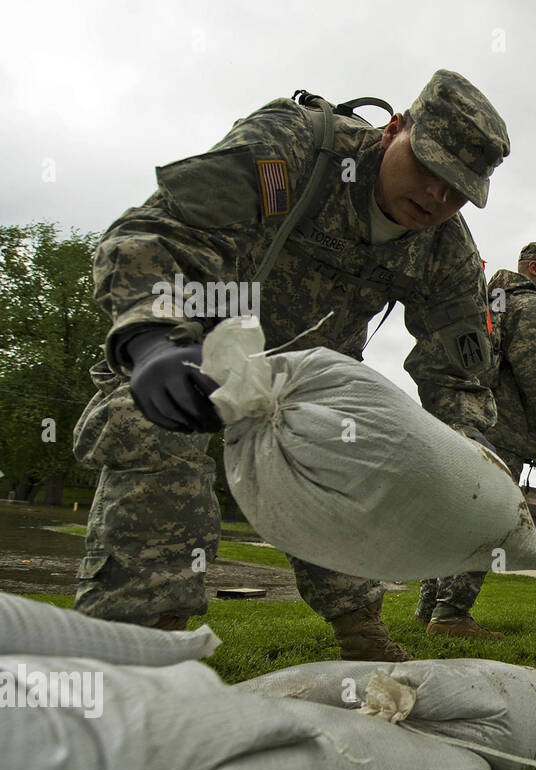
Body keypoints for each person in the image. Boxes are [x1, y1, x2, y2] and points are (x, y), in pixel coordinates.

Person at [71, 70, 510, 662]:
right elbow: (162, 231)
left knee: (345, 471)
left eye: (458, 189)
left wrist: (467, 460)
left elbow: (454, 371)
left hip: (310, 376)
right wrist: (150, 339)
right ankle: (138, 644)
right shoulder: (297, 151)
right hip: (198, 341)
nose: (438, 197)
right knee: (151, 437)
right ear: (395, 129)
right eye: (429, 169)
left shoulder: (444, 248)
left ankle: (362, 633)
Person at [416, 242, 536, 635]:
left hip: (466, 418)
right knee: (490, 519)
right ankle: (451, 615)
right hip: (502, 430)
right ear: (533, 268)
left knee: (457, 517)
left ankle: (429, 606)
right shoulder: (530, 304)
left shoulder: (494, 299)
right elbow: (533, 369)